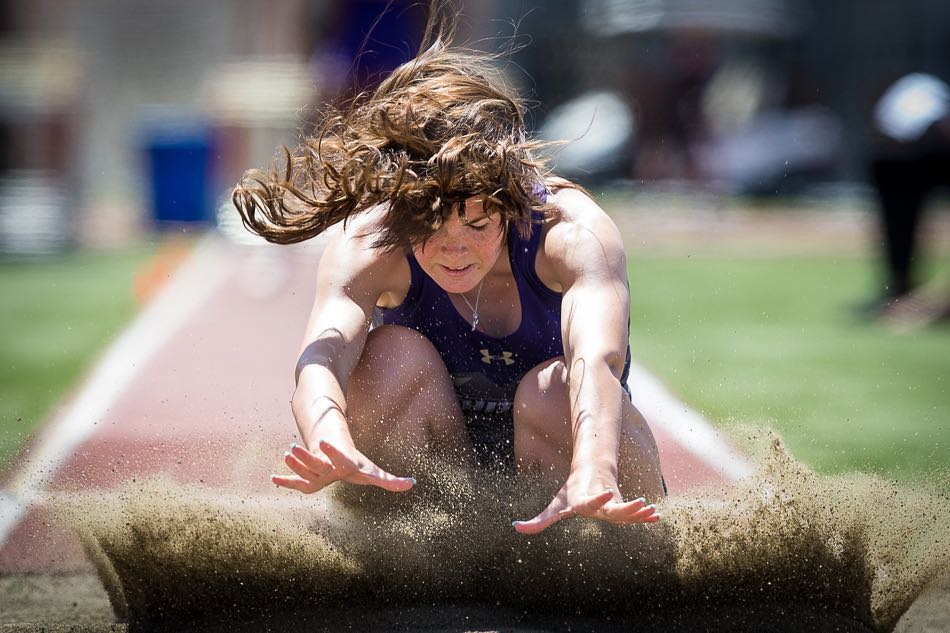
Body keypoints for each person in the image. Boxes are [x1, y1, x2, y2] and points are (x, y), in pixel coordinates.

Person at [232, 8, 665, 535]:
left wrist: (594, 469)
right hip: (444, 483)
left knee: (551, 388)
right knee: (390, 356)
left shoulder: (572, 233)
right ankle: (412, 544)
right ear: (402, 208)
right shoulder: (372, 241)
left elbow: (599, 358)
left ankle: (598, 532)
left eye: (478, 225)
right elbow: (321, 357)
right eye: (431, 228)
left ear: (509, 203)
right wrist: (329, 435)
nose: (455, 249)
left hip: (566, 466)